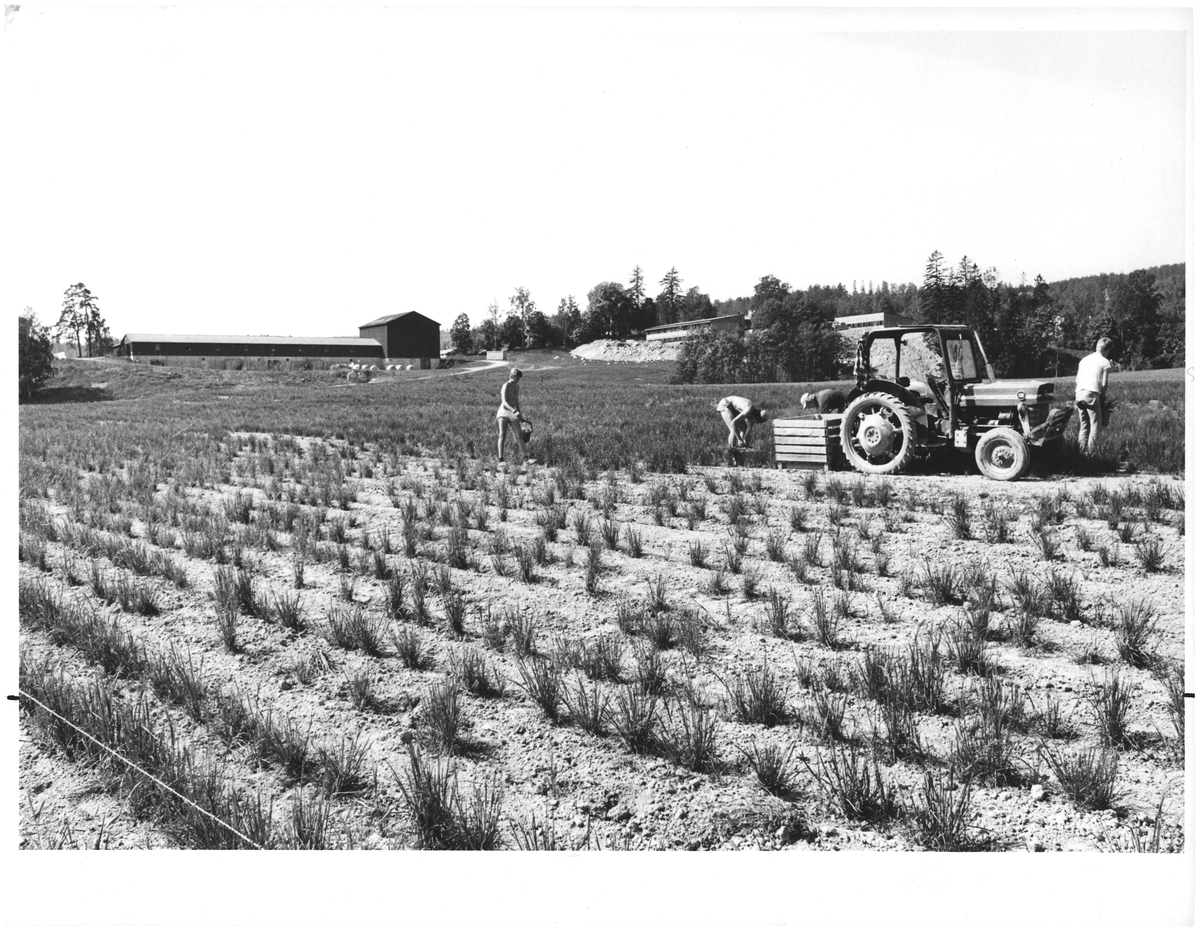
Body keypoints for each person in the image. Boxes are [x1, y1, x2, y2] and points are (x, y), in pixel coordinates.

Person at [1075, 337, 1113, 455]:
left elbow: (1077, 380)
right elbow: (1104, 383)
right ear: (1106, 350)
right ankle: (1091, 454)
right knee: (1096, 425)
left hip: (1079, 393)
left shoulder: (1084, 360)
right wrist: (1102, 398)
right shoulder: (1105, 361)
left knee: (1084, 425)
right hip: (1091, 393)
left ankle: (1080, 453)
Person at [496, 367, 529, 468]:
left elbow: (516, 401)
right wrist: (514, 411)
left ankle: (526, 459)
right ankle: (501, 460)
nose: (518, 380)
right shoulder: (506, 385)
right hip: (504, 412)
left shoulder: (517, 387)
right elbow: (504, 402)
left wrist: (519, 414)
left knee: (519, 435)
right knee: (502, 435)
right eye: (516, 378)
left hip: (513, 412)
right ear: (512, 376)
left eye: (519, 379)